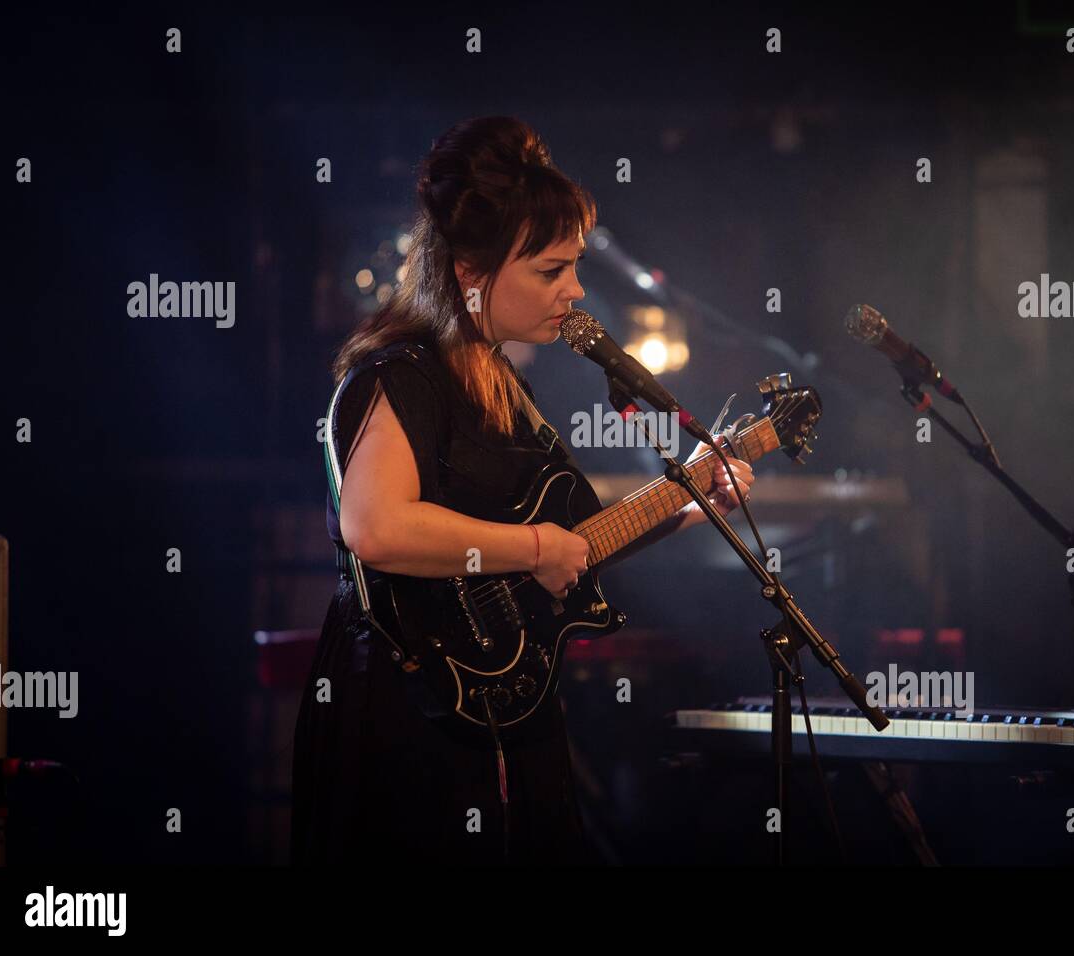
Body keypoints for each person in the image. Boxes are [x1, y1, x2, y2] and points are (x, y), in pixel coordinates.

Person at [290, 116, 753, 865]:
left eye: (574, 268)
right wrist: (534, 545)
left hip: (500, 699)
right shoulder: (401, 376)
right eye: (549, 271)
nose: (574, 291)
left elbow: (569, 546)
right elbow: (373, 528)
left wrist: (697, 501)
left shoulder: (501, 381)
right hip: (405, 708)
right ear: (470, 272)